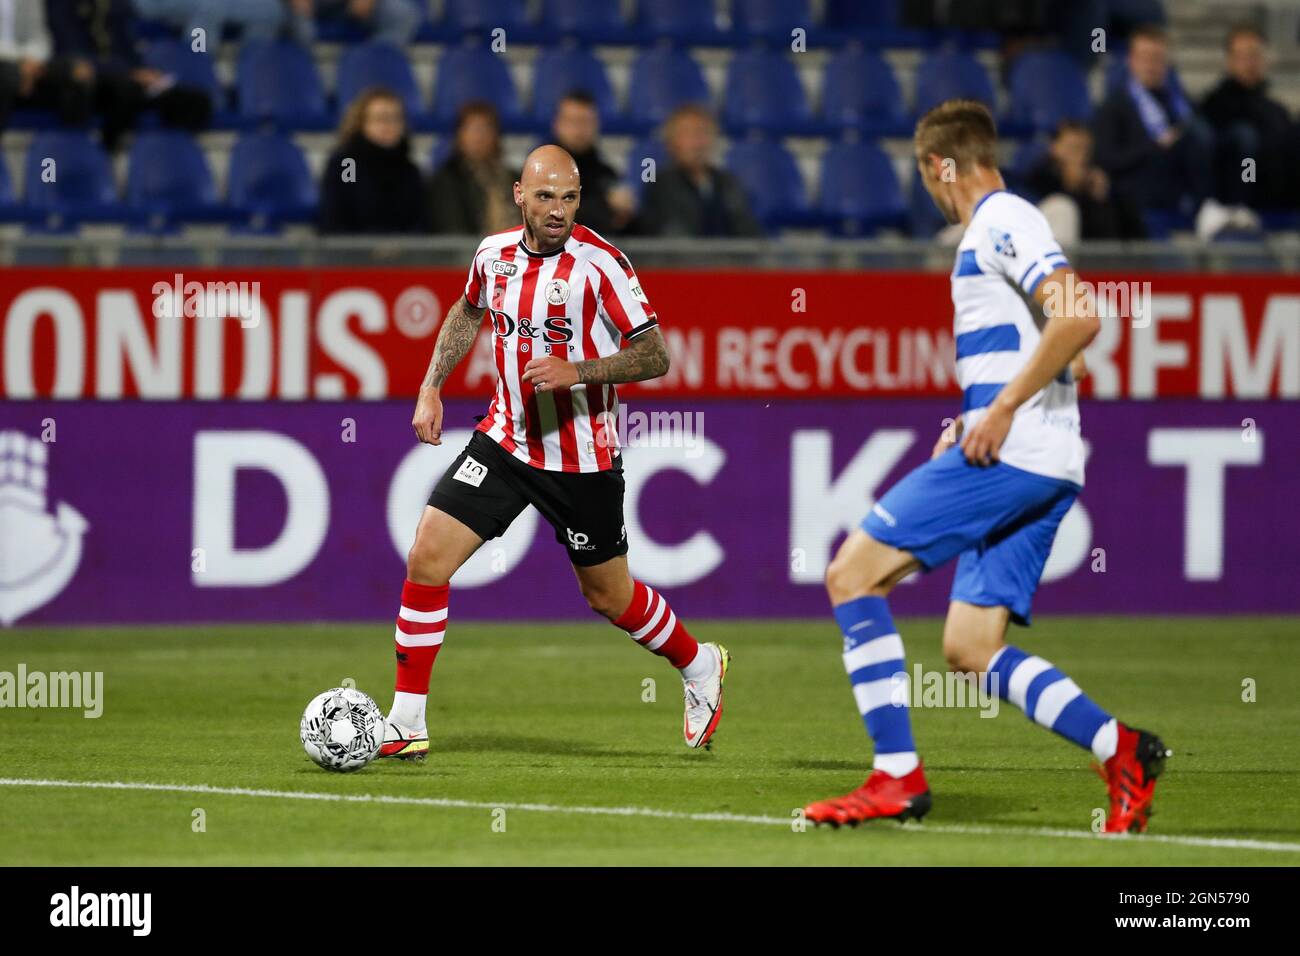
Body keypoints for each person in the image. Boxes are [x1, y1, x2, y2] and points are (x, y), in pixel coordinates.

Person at [803, 100, 1170, 833]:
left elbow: (1080, 315)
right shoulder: (1010, 226)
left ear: (939, 166)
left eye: (925, 177)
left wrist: (999, 411)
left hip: (1014, 455)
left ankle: (895, 777)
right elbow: (1069, 355)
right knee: (971, 648)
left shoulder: (1001, 219)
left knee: (851, 575)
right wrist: (978, 414)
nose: (929, 193)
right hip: (1047, 460)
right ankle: (1121, 748)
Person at [378, 145, 731, 761]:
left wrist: (580, 370)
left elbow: (655, 355)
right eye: (545, 197)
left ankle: (699, 663)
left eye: (569, 198)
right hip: (506, 441)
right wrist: (431, 385)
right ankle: (407, 721)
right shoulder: (492, 255)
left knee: (609, 597)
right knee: (427, 557)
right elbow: (466, 311)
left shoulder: (602, 264)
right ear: (520, 195)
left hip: (582, 458)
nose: (558, 210)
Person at [44, 0, 211, 150]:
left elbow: (128, 45)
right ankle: (103, 151)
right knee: (126, 90)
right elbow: (69, 49)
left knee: (195, 101)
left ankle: (172, 158)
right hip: (89, 80)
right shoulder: (62, 4)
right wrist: (127, 72)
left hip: (127, 75)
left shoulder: (117, 5)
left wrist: (146, 72)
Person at [1091, 25, 1214, 221]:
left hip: (1176, 183)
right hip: (1138, 190)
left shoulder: (1180, 104)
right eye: (1144, 58)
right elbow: (1106, 158)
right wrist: (1153, 146)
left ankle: (1213, 208)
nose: (1151, 65)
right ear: (1131, 61)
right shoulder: (1114, 105)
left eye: (1157, 59)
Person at [1200, 24, 1299, 212]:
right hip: (1243, 187)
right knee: (1247, 143)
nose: (1249, 63)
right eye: (1242, 57)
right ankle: (1242, 207)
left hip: (1280, 194)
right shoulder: (1215, 104)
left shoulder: (1275, 110)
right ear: (1229, 62)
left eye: (1255, 55)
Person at [637, 103, 762, 238]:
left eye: (704, 133)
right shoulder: (659, 185)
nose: (698, 143)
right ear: (671, 143)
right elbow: (671, 235)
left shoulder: (728, 183)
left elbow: (748, 232)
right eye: (689, 134)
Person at [318, 87, 430, 235]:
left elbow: (419, 223)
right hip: (353, 247)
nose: (389, 125)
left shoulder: (409, 170)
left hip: (403, 248)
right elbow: (336, 218)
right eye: (381, 118)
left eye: (396, 118)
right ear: (361, 123)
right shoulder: (348, 164)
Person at [1025, 121, 1146, 240]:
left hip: (1088, 250)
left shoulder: (1098, 182)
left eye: (1085, 150)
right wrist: (1070, 187)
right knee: (1062, 208)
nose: (1080, 156)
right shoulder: (1039, 176)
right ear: (1054, 147)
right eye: (1073, 148)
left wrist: (1100, 200)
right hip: (1042, 241)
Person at [549, 90, 633, 236]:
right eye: (572, 121)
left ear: (597, 125)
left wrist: (624, 217)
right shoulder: (542, 171)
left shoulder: (607, 174)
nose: (578, 129)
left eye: (585, 122)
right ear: (557, 124)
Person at [428, 101, 516, 235]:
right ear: (459, 136)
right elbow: (453, 231)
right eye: (472, 129)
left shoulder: (514, 178)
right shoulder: (446, 181)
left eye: (486, 129)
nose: (479, 137)